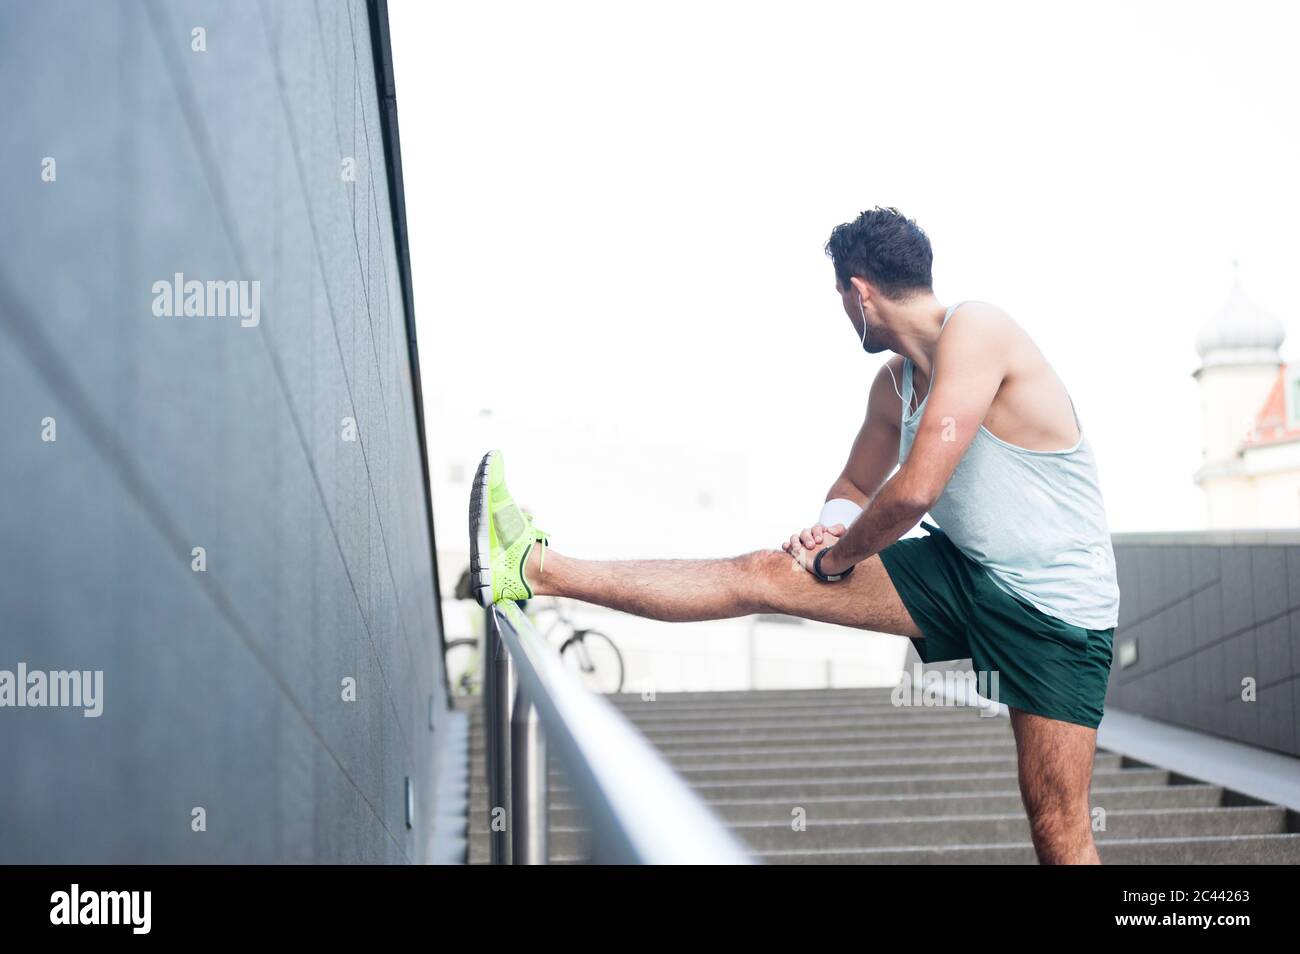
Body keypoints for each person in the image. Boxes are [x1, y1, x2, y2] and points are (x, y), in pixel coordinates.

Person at [467, 206, 1120, 864]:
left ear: (858, 291)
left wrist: (838, 557)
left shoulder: (978, 330)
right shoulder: (895, 386)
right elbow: (857, 489)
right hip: (963, 573)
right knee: (761, 573)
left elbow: (916, 489)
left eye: (840, 296)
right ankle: (537, 567)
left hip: (1058, 611)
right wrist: (824, 534)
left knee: (1058, 822)